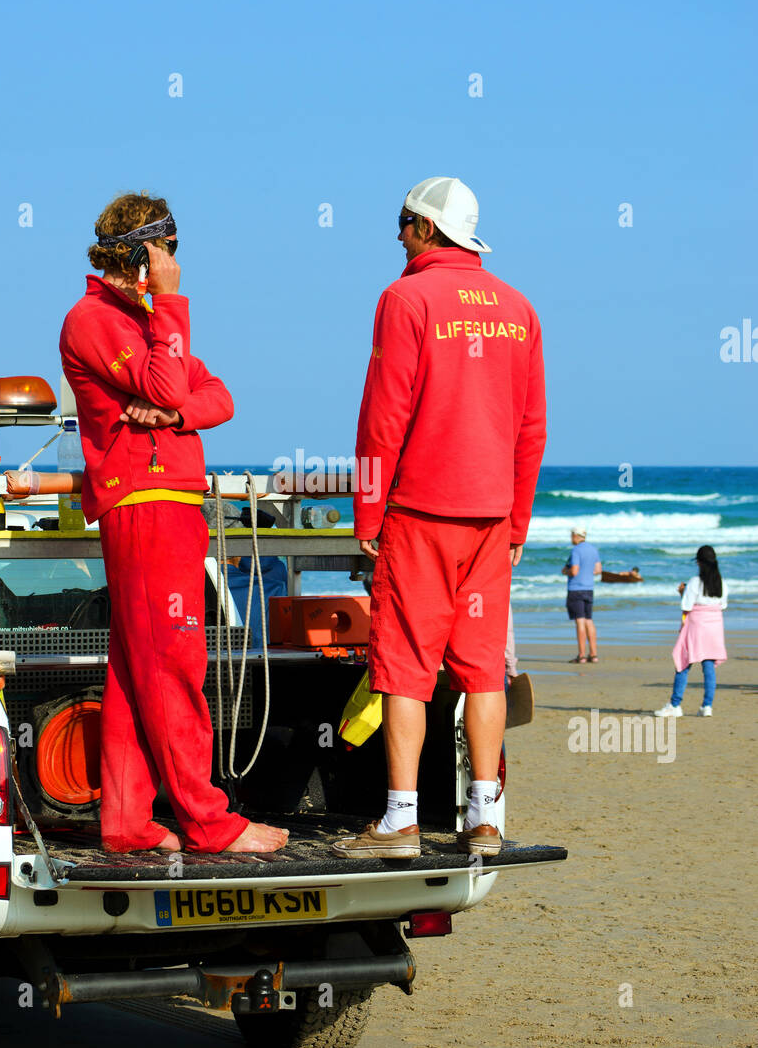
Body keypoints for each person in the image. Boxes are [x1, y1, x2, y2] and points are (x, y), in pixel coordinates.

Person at [58, 192, 288, 855]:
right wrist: (172, 309)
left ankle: (128, 822)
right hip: (143, 501)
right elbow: (164, 385)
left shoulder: (148, 324)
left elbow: (218, 396)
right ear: (143, 254)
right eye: (168, 252)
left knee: (137, 675)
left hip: (170, 500)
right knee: (175, 665)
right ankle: (209, 823)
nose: (175, 266)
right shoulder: (97, 320)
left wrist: (175, 413)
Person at [332, 176, 546, 860]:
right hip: (489, 518)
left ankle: (400, 820)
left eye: (401, 221)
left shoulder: (406, 298)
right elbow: (530, 427)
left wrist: (367, 510)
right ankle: (483, 816)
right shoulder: (518, 307)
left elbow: (383, 415)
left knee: (402, 669)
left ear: (426, 228)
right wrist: (517, 524)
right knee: (481, 670)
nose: (395, 234)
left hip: (420, 511)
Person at [655, 545, 728, 717]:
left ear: (699, 562)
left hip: (697, 625)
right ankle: (707, 706)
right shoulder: (722, 583)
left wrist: (682, 592)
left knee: (683, 662)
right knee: (708, 664)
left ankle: (675, 705)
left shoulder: (695, 582)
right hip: (715, 626)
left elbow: (686, 605)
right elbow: (722, 605)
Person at [562, 524, 601, 662]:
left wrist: (565, 571)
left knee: (579, 621)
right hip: (589, 588)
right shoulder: (593, 549)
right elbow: (597, 570)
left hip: (576, 589)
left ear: (576, 536)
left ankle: (582, 655)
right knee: (589, 620)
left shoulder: (576, 550)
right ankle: (594, 654)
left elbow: (574, 570)